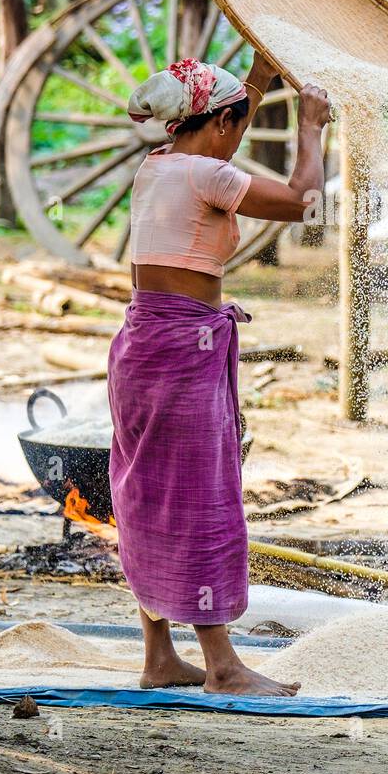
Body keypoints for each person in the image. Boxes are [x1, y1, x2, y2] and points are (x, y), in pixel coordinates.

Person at [107, 53, 331, 694]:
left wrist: (257, 74)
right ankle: (224, 666)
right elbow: (300, 203)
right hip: (183, 349)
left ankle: (158, 658)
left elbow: (221, 128)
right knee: (199, 498)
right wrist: (309, 128)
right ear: (223, 124)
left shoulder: (160, 166)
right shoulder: (209, 173)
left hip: (144, 345)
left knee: (148, 493)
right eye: (238, 121)